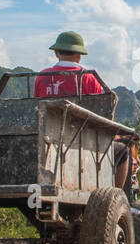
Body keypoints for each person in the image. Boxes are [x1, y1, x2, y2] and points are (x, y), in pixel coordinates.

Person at [33, 31, 132, 192]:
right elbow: (100, 117)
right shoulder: (88, 78)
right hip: (82, 142)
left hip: (46, 141)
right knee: (124, 151)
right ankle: (118, 198)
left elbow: (37, 109)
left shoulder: (42, 77)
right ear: (79, 55)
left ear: (57, 53)